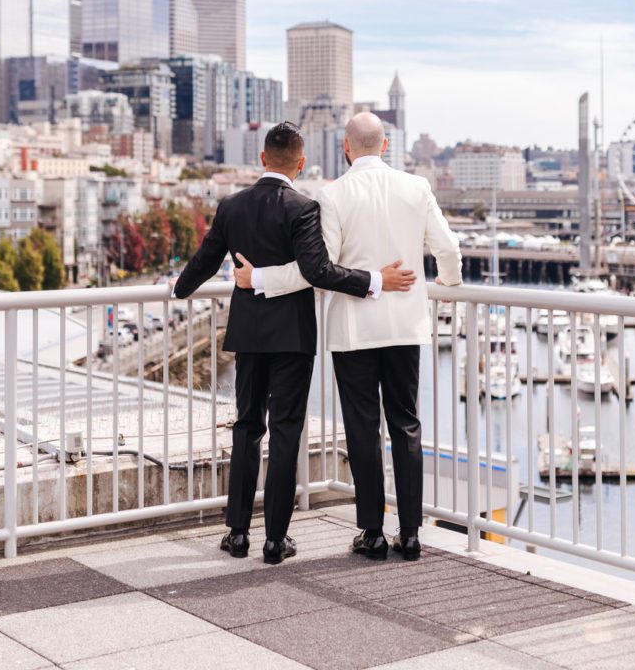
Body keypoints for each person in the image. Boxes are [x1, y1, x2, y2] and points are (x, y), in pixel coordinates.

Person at [172, 121, 416, 565]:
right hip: (294, 337)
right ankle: (275, 541)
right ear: (300, 163)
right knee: (286, 431)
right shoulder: (305, 208)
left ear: (262, 158)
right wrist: (376, 279)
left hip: (247, 333)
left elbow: (205, 261)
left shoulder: (231, 207)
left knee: (247, 427)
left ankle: (239, 532)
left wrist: (177, 290)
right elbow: (318, 270)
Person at [238, 112, 461, 561]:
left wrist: (257, 278)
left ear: (345, 147)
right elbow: (449, 250)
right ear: (384, 147)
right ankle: (412, 533)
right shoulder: (416, 188)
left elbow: (315, 272)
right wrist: (449, 289)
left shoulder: (333, 194)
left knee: (363, 431)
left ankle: (372, 533)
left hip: (354, 331)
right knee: (407, 425)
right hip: (404, 326)